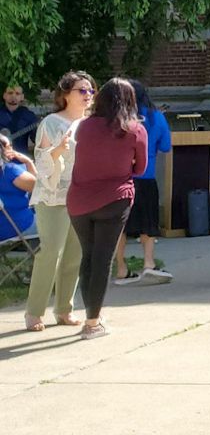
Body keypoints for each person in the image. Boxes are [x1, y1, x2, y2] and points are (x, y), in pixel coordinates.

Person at [66, 78, 147, 339]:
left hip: (79, 199)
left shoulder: (84, 126)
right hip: (115, 197)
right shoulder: (135, 129)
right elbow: (140, 168)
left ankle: (92, 316)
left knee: (88, 257)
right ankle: (92, 323)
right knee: (102, 259)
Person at [25, 71, 94, 332]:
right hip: (53, 196)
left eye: (91, 90)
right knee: (51, 251)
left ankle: (64, 309)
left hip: (82, 194)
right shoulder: (51, 123)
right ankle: (34, 312)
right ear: (65, 94)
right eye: (82, 90)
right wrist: (57, 150)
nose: (88, 94)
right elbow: (42, 163)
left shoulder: (92, 123)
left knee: (75, 253)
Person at [113, 80, 173, 285]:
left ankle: (121, 268)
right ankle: (149, 263)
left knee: (120, 226)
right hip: (146, 176)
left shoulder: (116, 118)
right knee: (148, 223)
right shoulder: (156, 117)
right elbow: (166, 146)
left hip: (121, 179)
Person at [0, 134, 36, 243]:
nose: (12, 149)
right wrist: (28, 162)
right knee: (58, 218)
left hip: (3, 230)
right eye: (9, 146)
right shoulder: (10, 170)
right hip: (19, 226)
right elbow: (40, 190)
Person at [0, 84, 39, 156]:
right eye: (10, 93)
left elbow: (36, 140)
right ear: (4, 95)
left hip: (19, 159)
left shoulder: (28, 115)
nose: (13, 96)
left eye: (17, 94)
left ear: (22, 97)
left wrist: (40, 129)